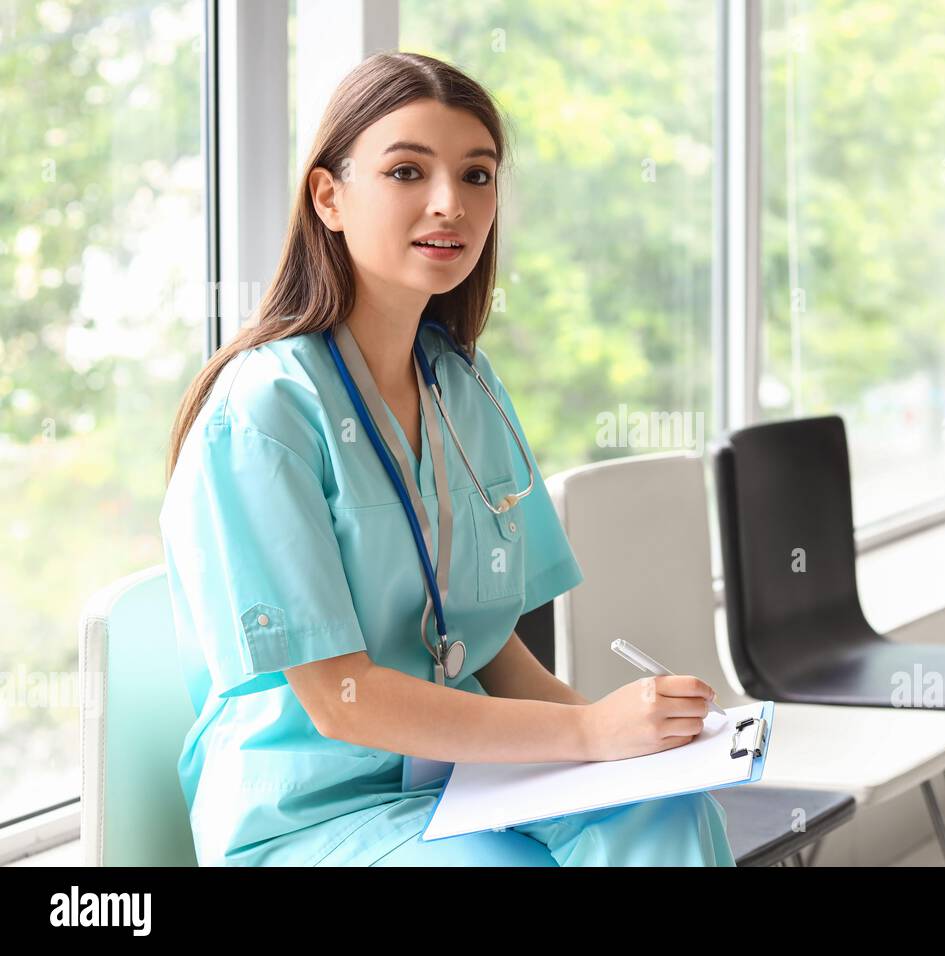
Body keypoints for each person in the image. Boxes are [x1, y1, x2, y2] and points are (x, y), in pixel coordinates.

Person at [160, 51, 735, 867]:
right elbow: (340, 701)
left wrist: (621, 749)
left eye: (476, 175)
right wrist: (585, 731)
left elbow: (484, 643)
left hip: (465, 773)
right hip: (313, 812)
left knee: (664, 814)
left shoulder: (463, 383)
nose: (449, 204)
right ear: (329, 196)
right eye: (406, 171)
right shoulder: (264, 413)